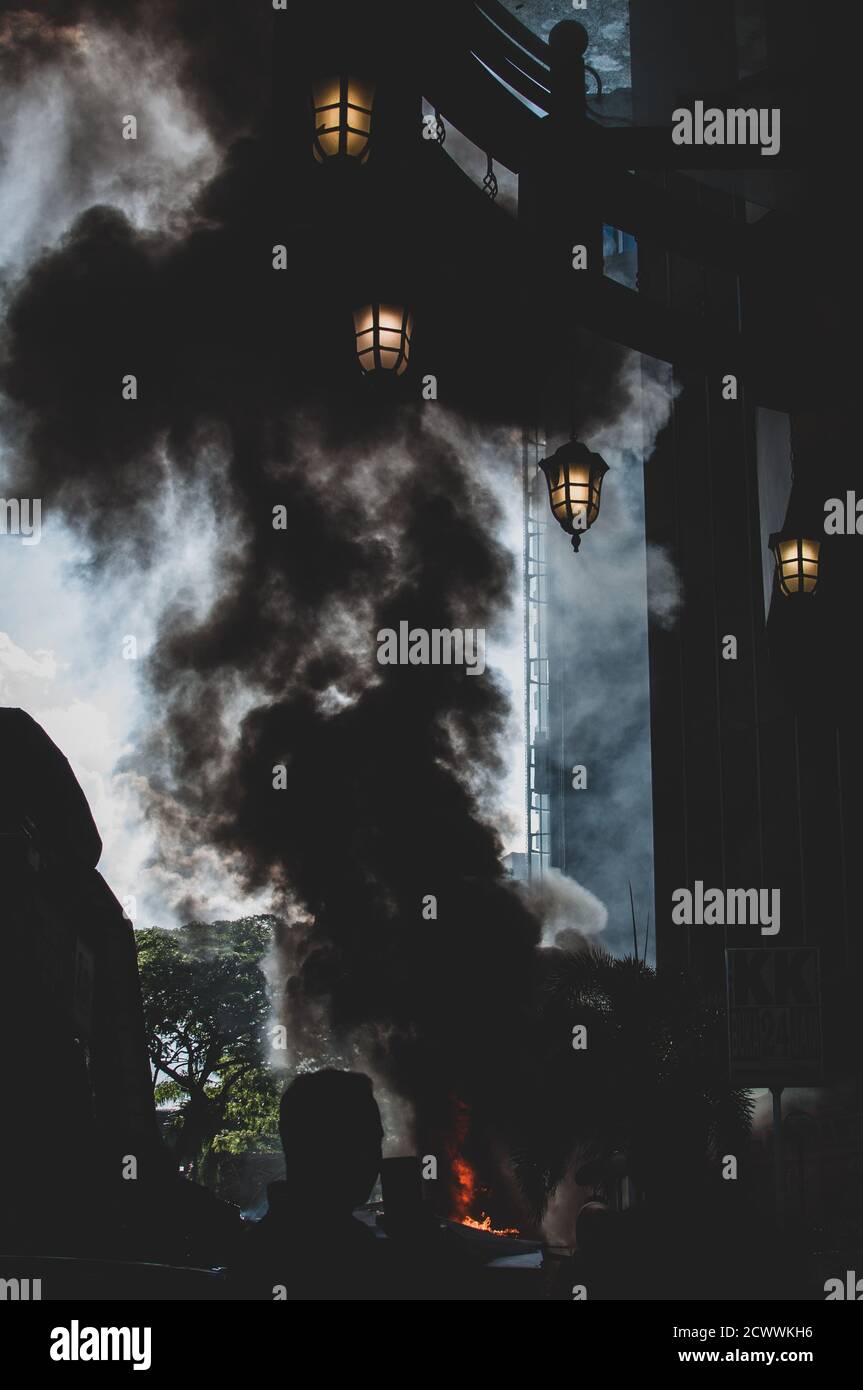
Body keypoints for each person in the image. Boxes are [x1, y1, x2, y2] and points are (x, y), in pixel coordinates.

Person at [231, 1069, 393, 1300]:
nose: (373, 1158)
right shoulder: (352, 1252)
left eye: (375, 1142)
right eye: (360, 1141)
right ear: (314, 1147)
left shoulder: (259, 1249)